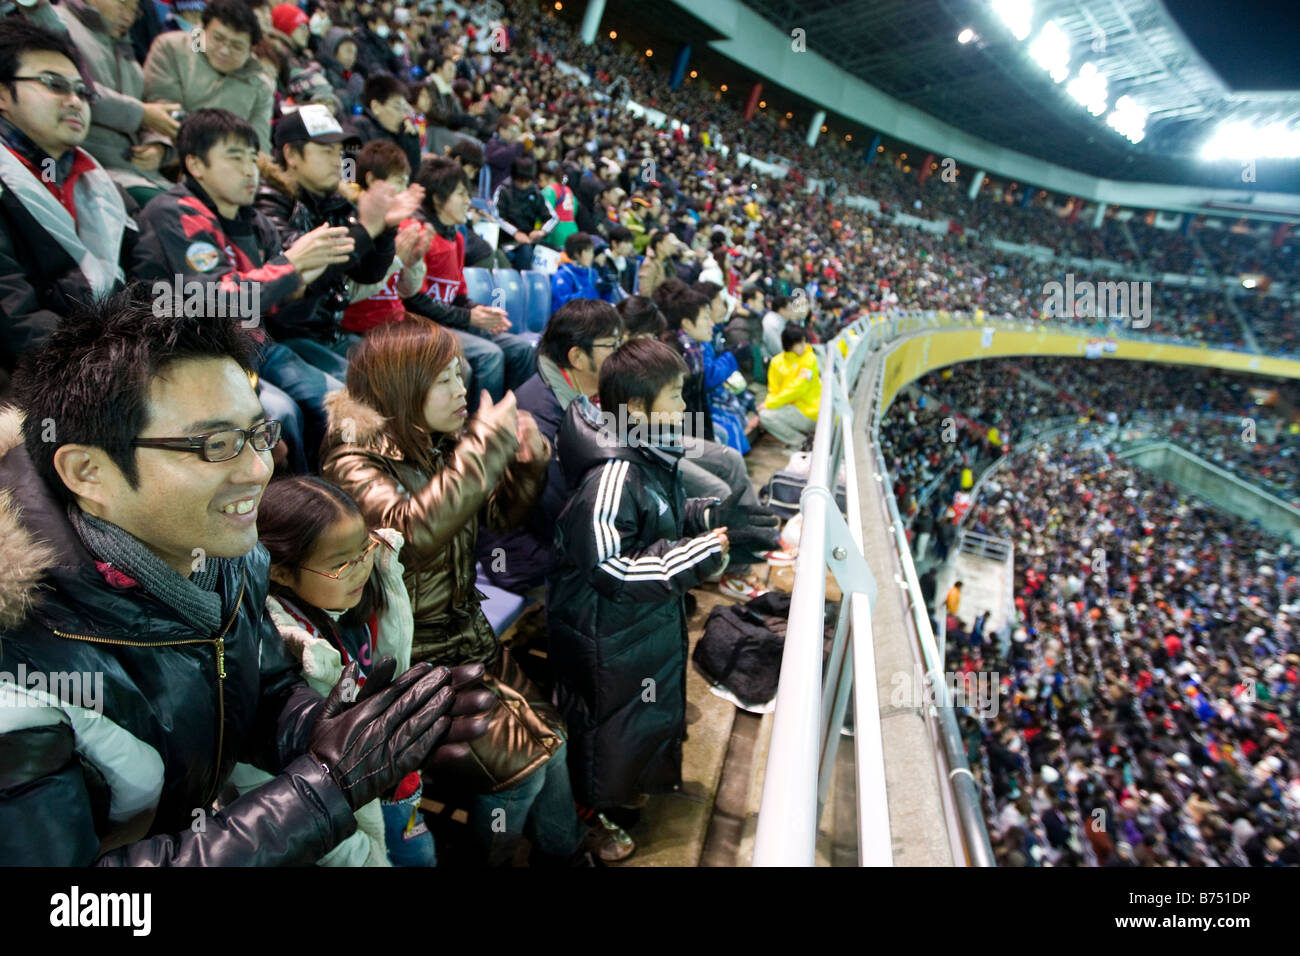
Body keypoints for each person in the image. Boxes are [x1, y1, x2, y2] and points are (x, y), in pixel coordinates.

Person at [0, 286, 482, 865]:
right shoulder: (21, 678)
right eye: (216, 444)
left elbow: (263, 691)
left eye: (258, 434)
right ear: (87, 471)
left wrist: (346, 727)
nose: (259, 471)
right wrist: (320, 789)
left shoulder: (226, 554)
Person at [319, 319, 620, 865]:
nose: (462, 390)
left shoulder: (435, 444)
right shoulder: (352, 461)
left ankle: (567, 852)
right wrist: (485, 446)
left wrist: (527, 463)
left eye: (461, 375)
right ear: (402, 387)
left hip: (466, 634)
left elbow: (500, 514)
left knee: (551, 735)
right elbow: (410, 537)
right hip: (412, 665)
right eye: (444, 381)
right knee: (519, 772)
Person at [548, 339, 729, 814]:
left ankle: (625, 791)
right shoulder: (612, 473)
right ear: (635, 407)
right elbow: (614, 567)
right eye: (674, 395)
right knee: (607, 730)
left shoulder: (646, 448)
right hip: (604, 635)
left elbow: (657, 519)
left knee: (637, 720)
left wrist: (705, 517)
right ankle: (593, 812)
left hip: (634, 630)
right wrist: (700, 554)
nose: (684, 405)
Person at [132, 108, 363, 473]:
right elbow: (216, 300)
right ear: (195, 164)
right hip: (194, 355)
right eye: (234, 157)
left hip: (257, 345)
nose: (248, 170)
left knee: (347, 396)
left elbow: (283, 314)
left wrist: (309, 280)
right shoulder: (172, 212)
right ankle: (297, 516)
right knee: (283, 416)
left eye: (252, 159)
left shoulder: (254, 220)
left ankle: (345, 496)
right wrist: (291, 266)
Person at [255, 475, 450, 867]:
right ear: (278, 570)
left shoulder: (361, 600)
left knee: (420, 855)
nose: (362, 568)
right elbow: (261, 784)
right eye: (341, 564)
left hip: (391, 779)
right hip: (336, 815)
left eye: (365, 550)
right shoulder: (272, 655)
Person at [0, 18, 135, 378]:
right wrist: (110, 368)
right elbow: (14, 315)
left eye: (82, 91)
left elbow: (146, 280)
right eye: (54, 84)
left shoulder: (101, 186)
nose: (75, 101)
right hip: (40, 380)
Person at [255, 103, 419, 381]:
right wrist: (368, 228)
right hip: (280, 339)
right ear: (291, 155)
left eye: (338, 151)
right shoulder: (268, 201)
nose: (337, 160)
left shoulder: (334, 201)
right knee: (367, 387)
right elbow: (304, 275)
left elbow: (368, 273)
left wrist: (385, 230)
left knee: (414, 375)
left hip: (328, 332)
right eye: (325, 150)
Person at [407, 156, 533, 407]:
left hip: (448, 322)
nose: (468, 201)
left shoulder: (457, 237)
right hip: (419, 326)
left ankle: (514, 422)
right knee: (490, 355)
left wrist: (478, 310)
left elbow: (457, 296)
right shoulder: (418, 233)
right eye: (462, 194)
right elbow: (414, 301)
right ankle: (479, 433)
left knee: (521, 350)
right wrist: (468, 318)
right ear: (438, 198)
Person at [31, 0, 181, 204]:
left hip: (139, 173)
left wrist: (157, 145)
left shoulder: (125, 48)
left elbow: (148, 106)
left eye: (133, 10)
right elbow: (72, 90)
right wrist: (140, 113)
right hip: (90, 166)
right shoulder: (57, 24)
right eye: (122, 4)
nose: (128, 16)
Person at [143, 0, 274, 158]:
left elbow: (259, 144)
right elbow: (163, 108)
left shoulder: (260, 84)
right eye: (218, 39)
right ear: (202, 30)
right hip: (169, 152)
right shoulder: (172, 48)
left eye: (237, 46)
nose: (225, 50)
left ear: (250, 50)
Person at [340, 140, 432, 336]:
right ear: (372, 179)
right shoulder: (353, 226)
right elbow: (348, 293)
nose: (403, 191)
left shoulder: (405, 224)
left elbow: (407, 290)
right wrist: (395, 259)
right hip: (358, 330)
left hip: (396, 325)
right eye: (398, 181)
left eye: (406, 182)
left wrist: (414, 263)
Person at [347, 72, 422, 175]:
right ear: (376, 107)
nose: (403, 115)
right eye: (397, 108)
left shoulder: (401, 133)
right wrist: (351, 187)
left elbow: (410, 175)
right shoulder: (357, 126)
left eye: (405, 110)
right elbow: (348, 162)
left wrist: (412, 140)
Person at [760, 325, 820, 449]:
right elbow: (773, 389)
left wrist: (770, 403)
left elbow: (798, 387)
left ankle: (801, 443)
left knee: (766, 414)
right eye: (799, 343)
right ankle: (803, 442)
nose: (804, 346)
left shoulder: (809, 358)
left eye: (804, 341)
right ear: (789, 345)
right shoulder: (776, 362)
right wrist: (771, 402)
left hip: (811, 411)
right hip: (791, 408)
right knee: (765, 415)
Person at [492, 155, 556, 271]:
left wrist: (541, 232)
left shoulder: (535, 193)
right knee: (525, 250)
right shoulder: (503, 191)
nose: (524, 186)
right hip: (505, 241)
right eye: (520, 182)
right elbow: (496, 217)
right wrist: (515, 233)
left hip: (528, 240)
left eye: (527, 182)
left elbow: (553, 218)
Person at [550, 231, 613, 312]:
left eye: (592, 251)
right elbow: (563, 305)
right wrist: (591, 290)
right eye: (588, 251)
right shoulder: (562, 275)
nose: (592, 255)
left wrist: (607, 292)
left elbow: (601, 305)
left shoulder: (592, 273)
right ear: (576, 254)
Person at [762, 293, 801, 362]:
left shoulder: (779, 320)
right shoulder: (772, 323)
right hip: (771, 363)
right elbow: (778, 350)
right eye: (790, 309)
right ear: (781, 310)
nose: (792, 312)